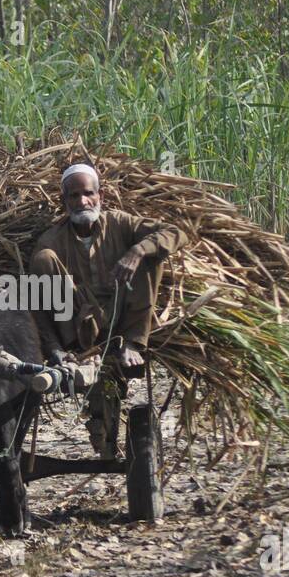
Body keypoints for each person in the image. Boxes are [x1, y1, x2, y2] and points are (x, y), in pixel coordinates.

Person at [29, 162, 189, 460]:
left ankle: (133, 343)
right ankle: (78, 357)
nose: (82, 202)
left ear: (100, 195)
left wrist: (137, 251)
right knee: (43, 260)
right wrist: (53, 349)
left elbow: (176, 232)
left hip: (122, 318)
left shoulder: (121, 224)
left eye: (88, 194)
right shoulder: (52, 241)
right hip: (77, 325)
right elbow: (37, 307)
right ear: (64, 201)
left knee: (151, 256)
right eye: (74, 196)